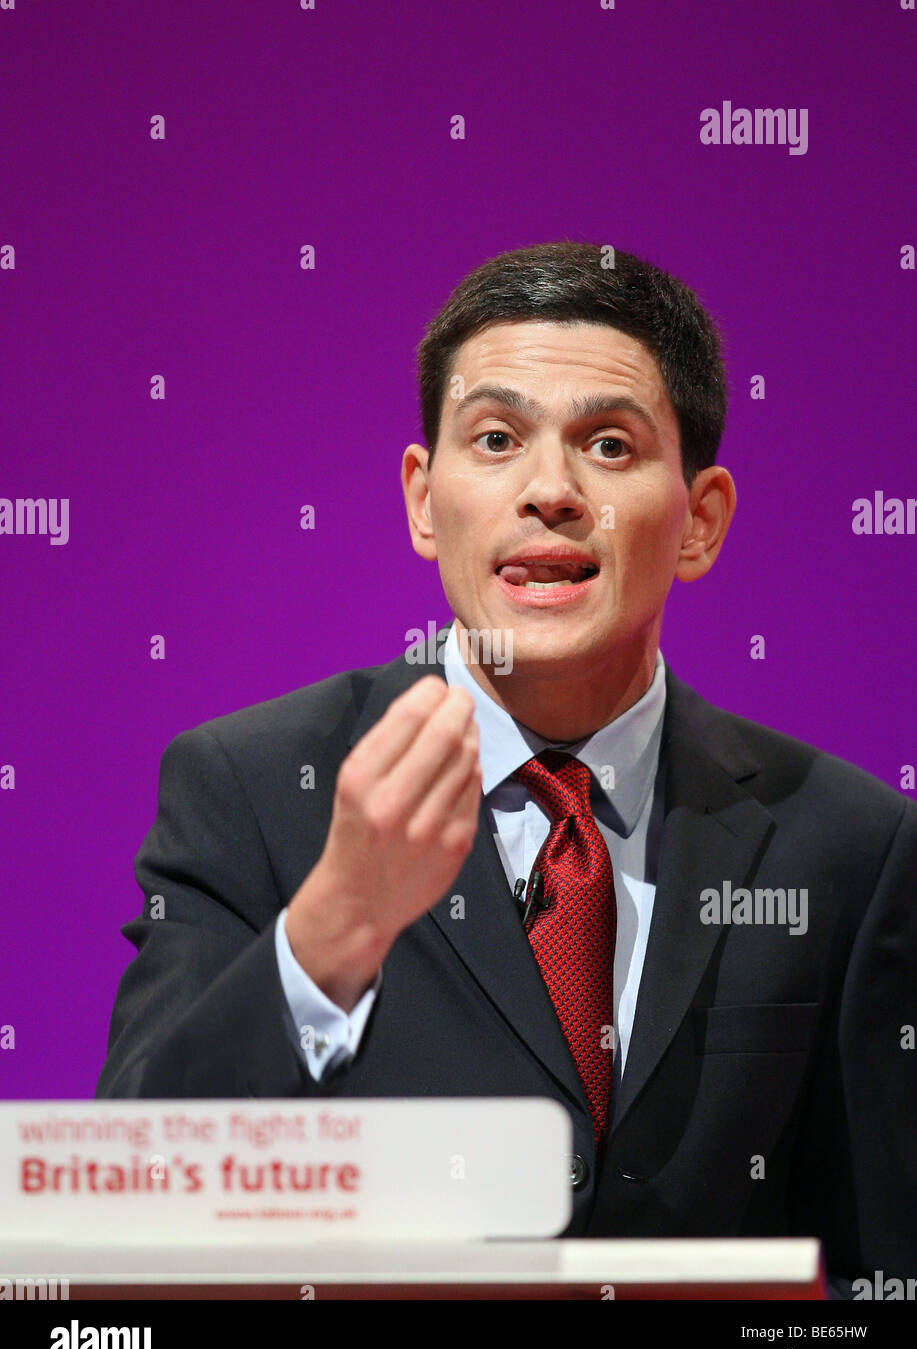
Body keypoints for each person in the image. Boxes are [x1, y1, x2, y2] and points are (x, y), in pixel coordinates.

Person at [96, 240, 917, 1295]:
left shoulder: (844, 840)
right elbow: (129, 1207)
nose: (549, 491)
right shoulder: (253, 791)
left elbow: (879, 1279)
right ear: (423, 500)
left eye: (609, 446)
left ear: (700, 518)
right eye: (494, 438)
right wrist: (334, 928)